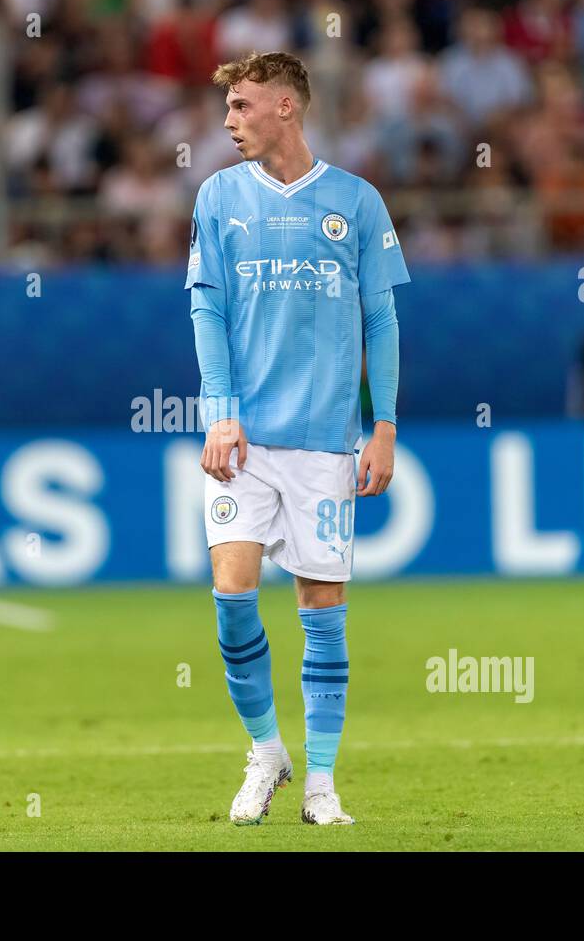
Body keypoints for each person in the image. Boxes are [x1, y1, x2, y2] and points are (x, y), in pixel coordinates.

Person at [187, 52, 408, 826]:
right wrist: (220, 410)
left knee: (322, 607)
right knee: (231, 596)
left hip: (323, 442)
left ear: (286, 106)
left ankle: (321, 784)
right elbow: (206, 311)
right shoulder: (217, 198)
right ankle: (264, 750)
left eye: (242, 106)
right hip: (242, 442)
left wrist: (381, 428)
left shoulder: (356, 201)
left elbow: (381, 319)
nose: (228, 121)